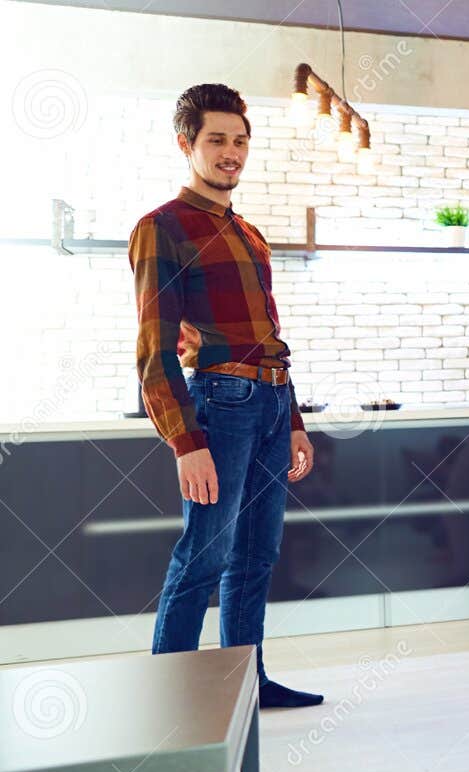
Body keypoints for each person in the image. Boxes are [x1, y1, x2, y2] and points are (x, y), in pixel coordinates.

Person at [132, 83, 321, 709]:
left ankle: (248, 686)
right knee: (204, 555)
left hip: (268, 403)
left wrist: (291, 417)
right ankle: (174, 704)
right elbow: (154, 349)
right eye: (217, 140)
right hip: (221, 405)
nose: (231, 152)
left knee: (255, 558)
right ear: (188, 144)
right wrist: (185, 443)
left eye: (240, 141)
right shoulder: (161, 228)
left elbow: (271, 337)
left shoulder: (249, 233)